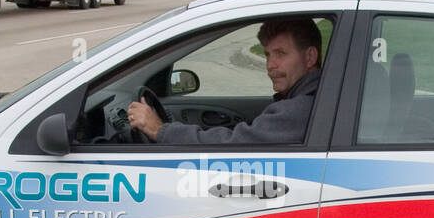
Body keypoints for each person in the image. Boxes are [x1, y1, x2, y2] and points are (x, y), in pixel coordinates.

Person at [127, 18, 323, 144]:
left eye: (280, 54)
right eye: (267, 54)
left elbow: (232, 144)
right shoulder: (313, 99)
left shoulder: (299, 109)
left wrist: (159, 130)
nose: (270, 64)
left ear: (309, 57)